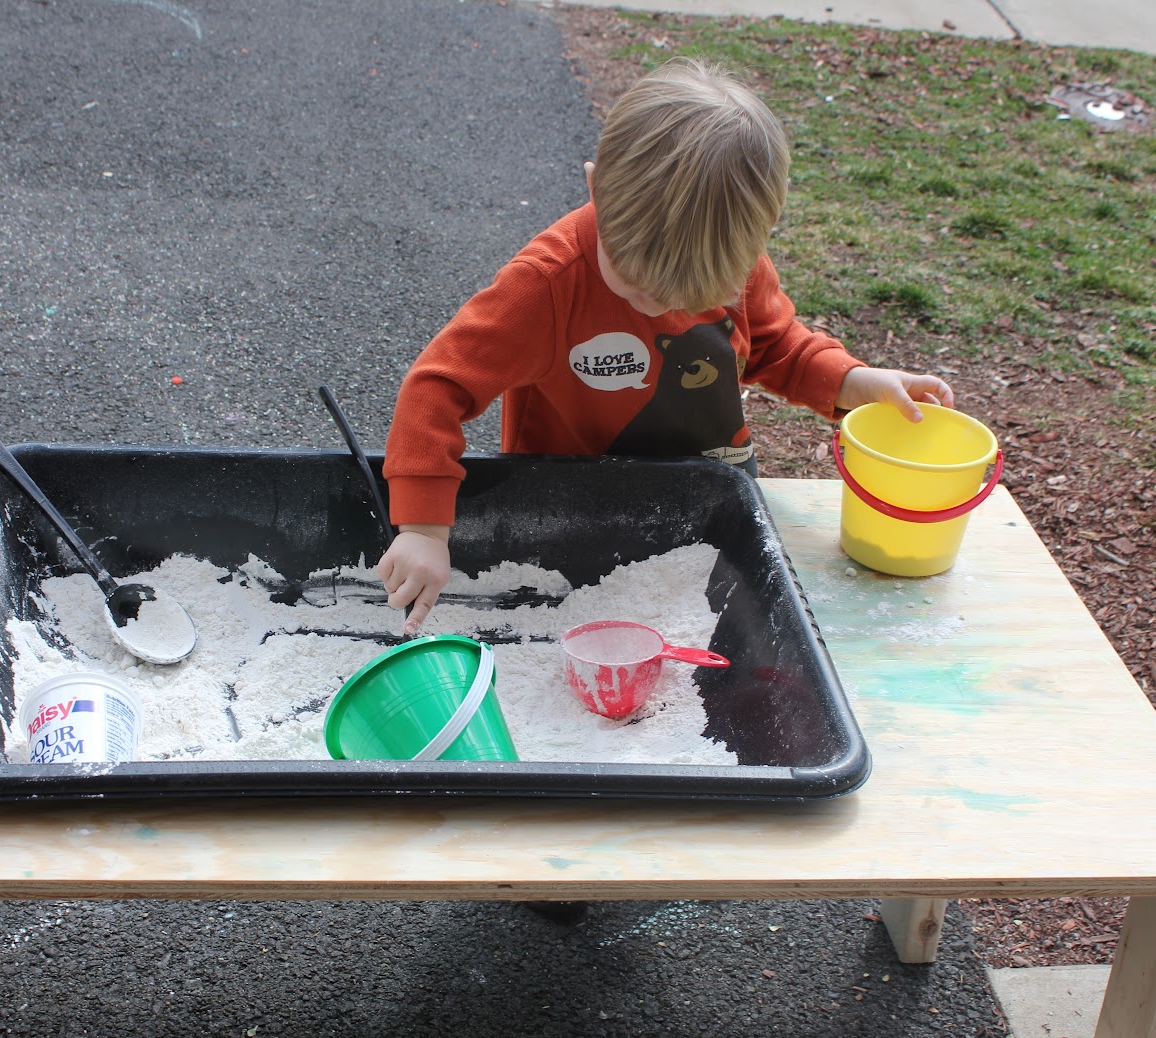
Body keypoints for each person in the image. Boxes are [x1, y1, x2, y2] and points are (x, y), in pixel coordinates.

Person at [379, 57, 954, 635]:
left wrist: (854, 381)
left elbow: (777, 345)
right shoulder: (547, 286)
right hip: (572, 511)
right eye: (637, 286)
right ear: (595, 188)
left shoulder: (731, 258)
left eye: (693, 295)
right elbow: (438, 386)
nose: (659, 309)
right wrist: (424, 530)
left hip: (708, 495)